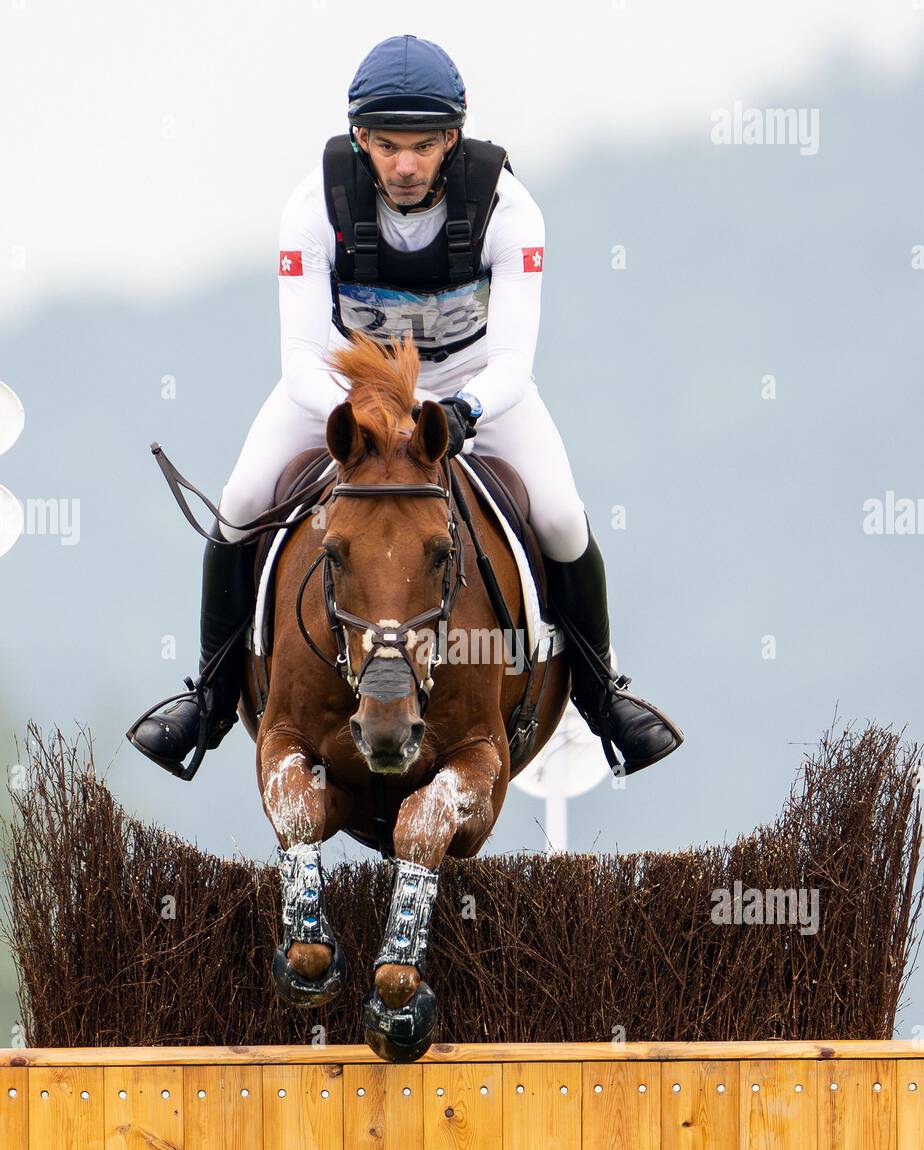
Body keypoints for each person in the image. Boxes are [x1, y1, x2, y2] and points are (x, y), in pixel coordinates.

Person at [130, 33, 683, 777]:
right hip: (344, 383)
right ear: (360, 138)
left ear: (452, 139)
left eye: (423, 146)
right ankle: (208, 696)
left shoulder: (509, 210)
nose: (403, 165)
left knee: (555, 514)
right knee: (238, 500)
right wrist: (359, 419)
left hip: (471, 383)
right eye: (386, 145)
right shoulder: (311, 205)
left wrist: (465, 413)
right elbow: (298, 360)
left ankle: (601, 695)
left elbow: (516, 361)